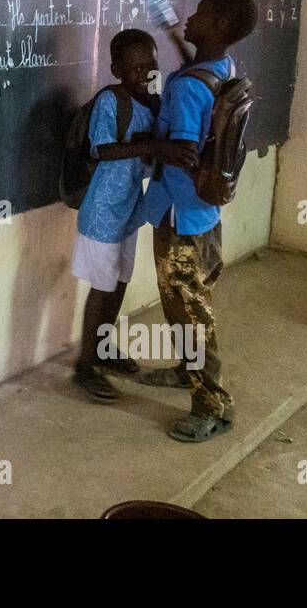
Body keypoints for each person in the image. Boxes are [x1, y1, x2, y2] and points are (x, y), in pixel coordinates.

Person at [133, 0, 259, 442]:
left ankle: (212, 406)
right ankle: (187, 371)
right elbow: (195, 74)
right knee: (192, 303)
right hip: (205, 211)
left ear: (221, 26)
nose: (189, 17)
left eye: (202, 14)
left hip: (180, 214)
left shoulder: (188, 86)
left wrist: (138, 146)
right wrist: (177, 39)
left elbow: (184, 151)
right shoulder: (218, 68)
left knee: (189, 312)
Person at [71, 29, 190, 403]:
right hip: (104, 209)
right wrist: (154, 145)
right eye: (134, 67)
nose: (143, 72)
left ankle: (103, 351)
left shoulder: (151, 102)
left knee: (120, 281)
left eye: (150, 65)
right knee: (101, 288)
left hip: (129, 210)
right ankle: (84, 366)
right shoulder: (112, 100)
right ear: (116, 68)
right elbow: (102, 149)